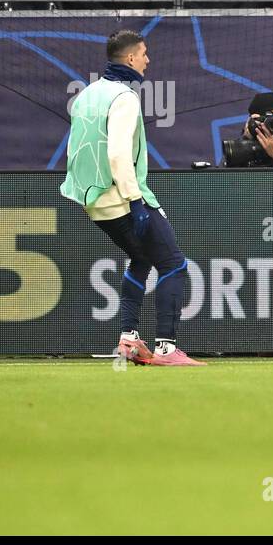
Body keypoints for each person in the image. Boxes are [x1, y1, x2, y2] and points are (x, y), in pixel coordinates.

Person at [59, 29, 204, 366]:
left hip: (93, 202)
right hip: (122, 198)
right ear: (130, 58)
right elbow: (118, 154)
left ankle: (128, 341)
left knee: (142, 259)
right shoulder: (124, 98)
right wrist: (135, 200)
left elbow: (77, 150)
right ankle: (167, 348)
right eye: (144, 53)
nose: (148, 59)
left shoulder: (86, 95)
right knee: (173, 264)